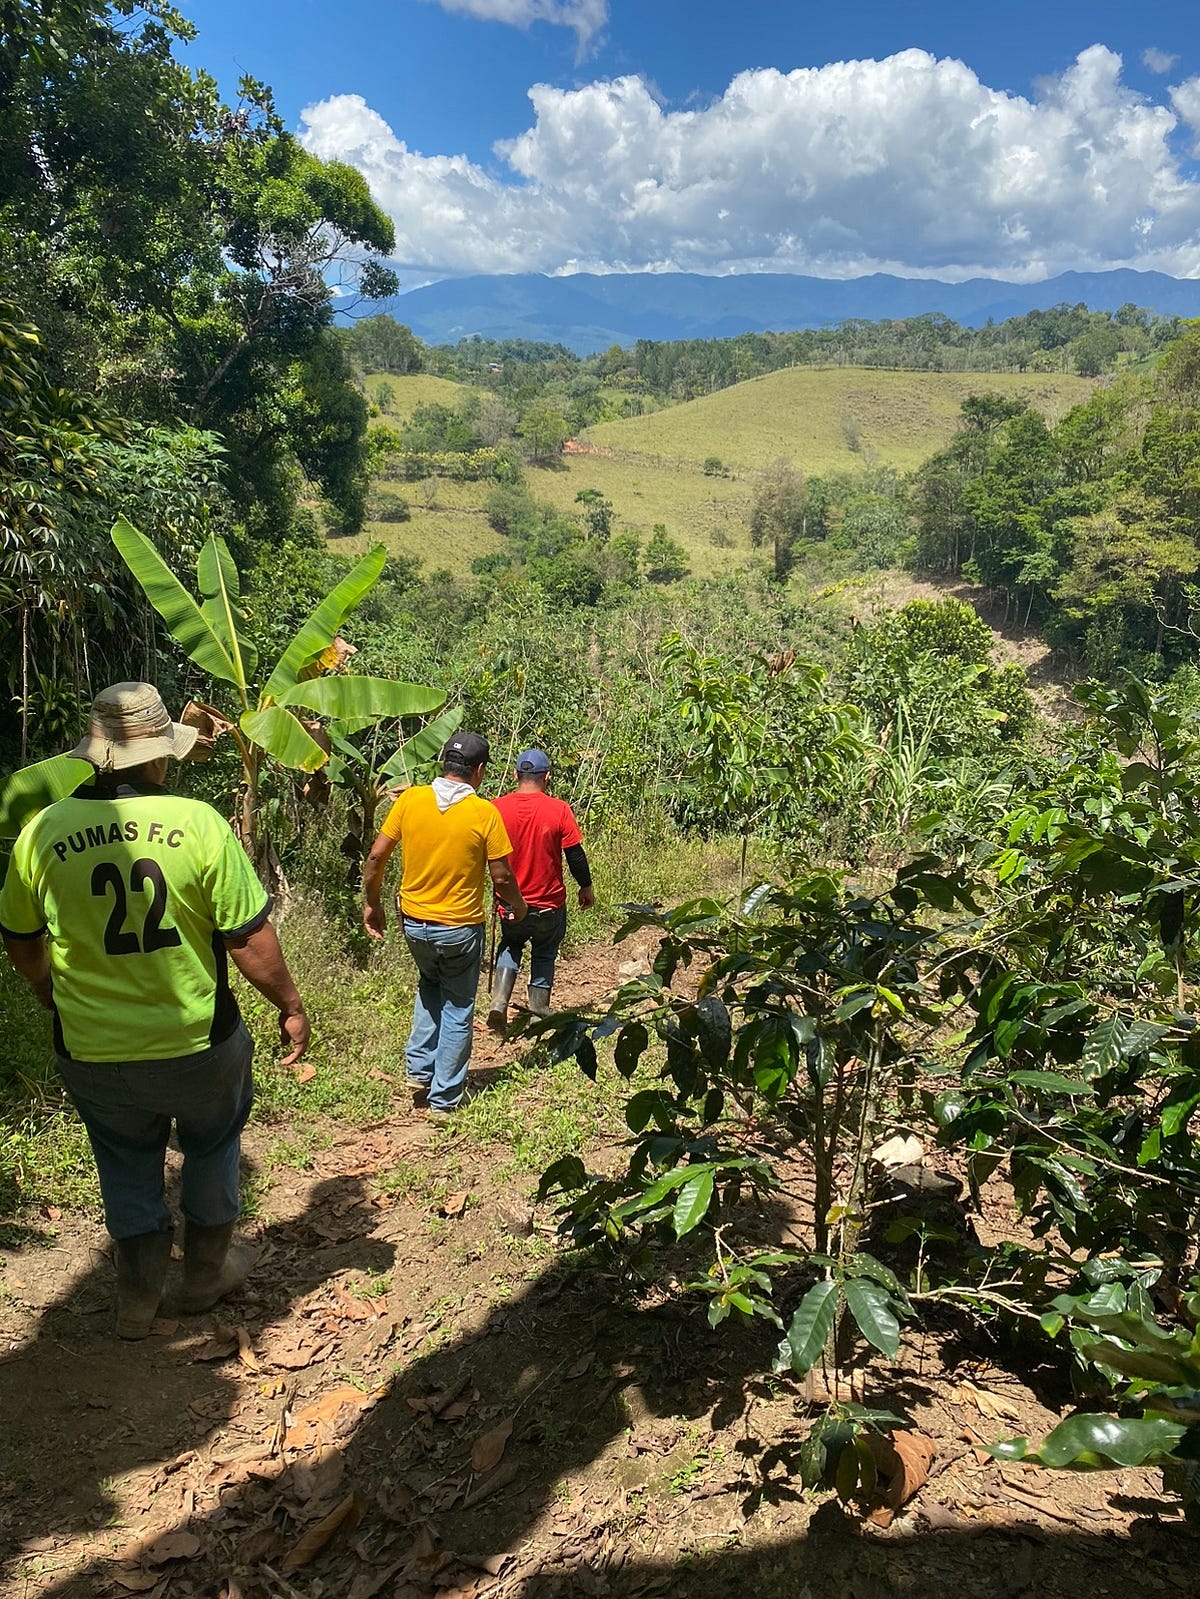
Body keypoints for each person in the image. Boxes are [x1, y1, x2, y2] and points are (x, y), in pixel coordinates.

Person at [0, 682, 309, 1340]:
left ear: (96, 753)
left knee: (124, 1156)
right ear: (159, 755)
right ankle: (201, 1278)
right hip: (198, 1041)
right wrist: (289, 1004)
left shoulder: (41, 832)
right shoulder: (197, 823)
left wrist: (43, 986)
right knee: (213, 1141)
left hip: (91, 1049)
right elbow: (248, 939)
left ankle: (137, 1299)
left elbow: (20, 936)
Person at [362, 731, 526, 1125]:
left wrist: (371, 903)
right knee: (458, 1006)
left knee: (428, 984)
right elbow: (501, 877)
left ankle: (419, 1068)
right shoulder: (485, 813)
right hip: (459, 928)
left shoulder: (410, 800)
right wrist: (518, 907)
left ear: (443, 762)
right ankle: (445, 1096)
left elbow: (375, 856)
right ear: (480, 770)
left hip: (414, 924)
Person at [486, 748, 594, 1035]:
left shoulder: (495, 808)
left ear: (515, 775)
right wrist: (585, 886)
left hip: (510, 903)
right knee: (544, 952)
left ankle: (499, 1001)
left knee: (510, 945)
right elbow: (575, 855)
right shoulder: (558, 809)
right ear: (547, 777)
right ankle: (538, 1012)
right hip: (549, 904)